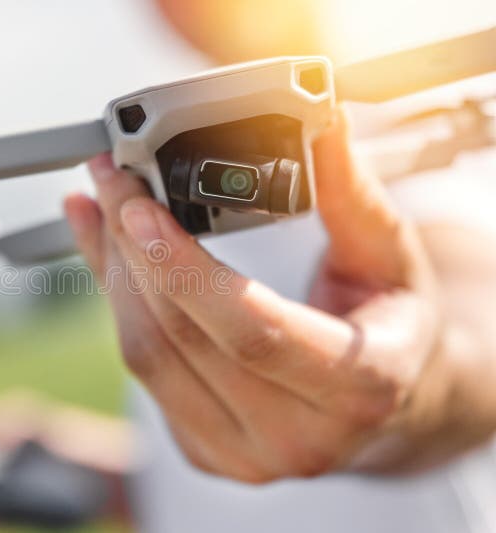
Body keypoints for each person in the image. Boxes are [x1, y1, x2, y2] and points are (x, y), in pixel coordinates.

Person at [63, 3, 496, 532]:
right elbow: (240, 477)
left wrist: (411, 390)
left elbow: (474, 332)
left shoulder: (412, 132)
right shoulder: (156, 174)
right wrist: (118, 481)